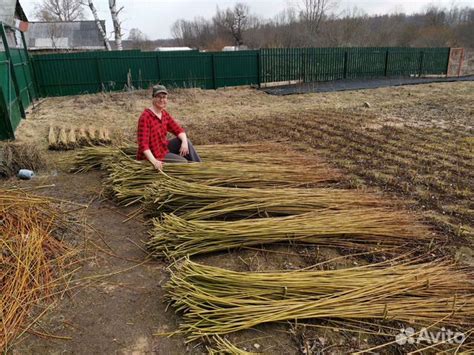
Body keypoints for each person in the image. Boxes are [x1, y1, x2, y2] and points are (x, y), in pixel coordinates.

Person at [136, 84, 201, 170]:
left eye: (164, 97)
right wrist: (154, 161)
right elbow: (143, 145)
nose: (162, 100)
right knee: (183, 162)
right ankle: (192, 170)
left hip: (163, 148)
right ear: (153, 98)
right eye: (159, 97)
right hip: (154, 155)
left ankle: (200, 166)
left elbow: (179, 130)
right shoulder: (145, 117)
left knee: (186, 142)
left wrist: (184, 142)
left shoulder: (164, 114)